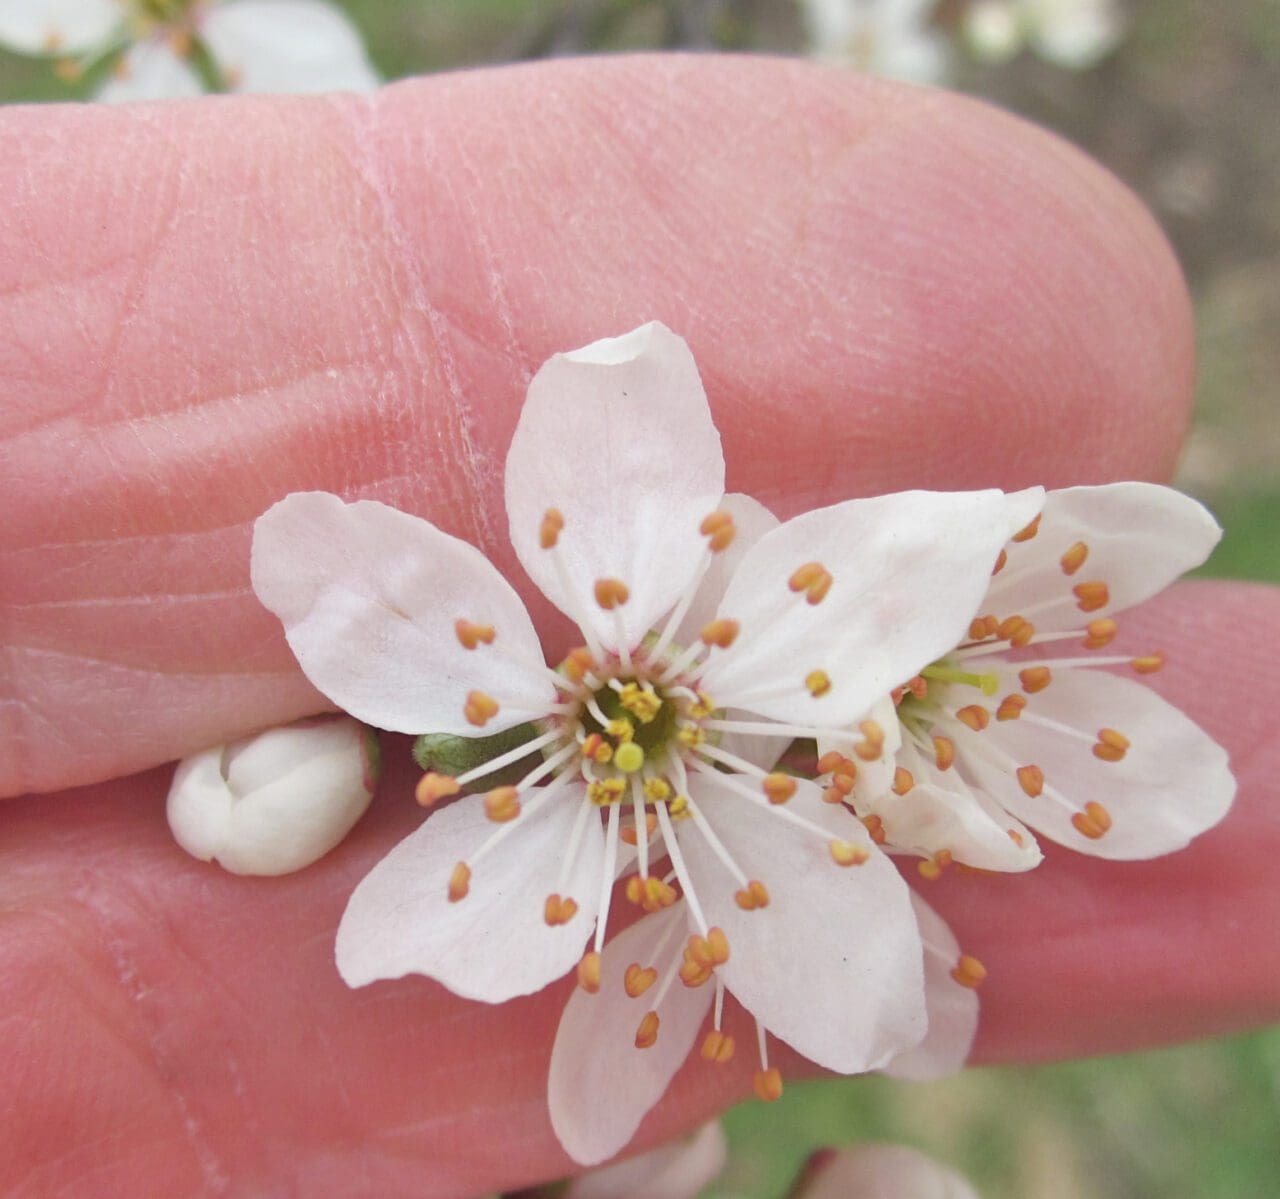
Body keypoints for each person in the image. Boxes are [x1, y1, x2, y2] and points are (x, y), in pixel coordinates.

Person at [1, 54, 1276, 1197]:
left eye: (632, 718)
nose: (630, 718)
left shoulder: (769, 760)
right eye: (625, 715)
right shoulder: (664, 703)